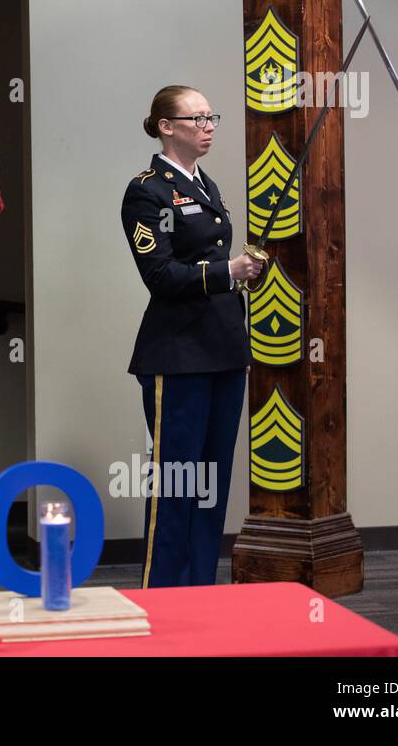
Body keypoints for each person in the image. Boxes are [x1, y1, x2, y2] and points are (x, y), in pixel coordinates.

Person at [121, 84, 260, 588]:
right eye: (196, 118)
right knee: (177, 482)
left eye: (211, 117)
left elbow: (216, 269)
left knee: (212, 482)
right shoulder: (147, 191)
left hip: (222, 350)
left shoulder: (208, 186)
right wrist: (228, 271)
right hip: (177, 355)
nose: (208, 126)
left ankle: (202, 588)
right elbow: (159, 276)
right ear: (166, 127)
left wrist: (240, 278)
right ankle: (163, 593)